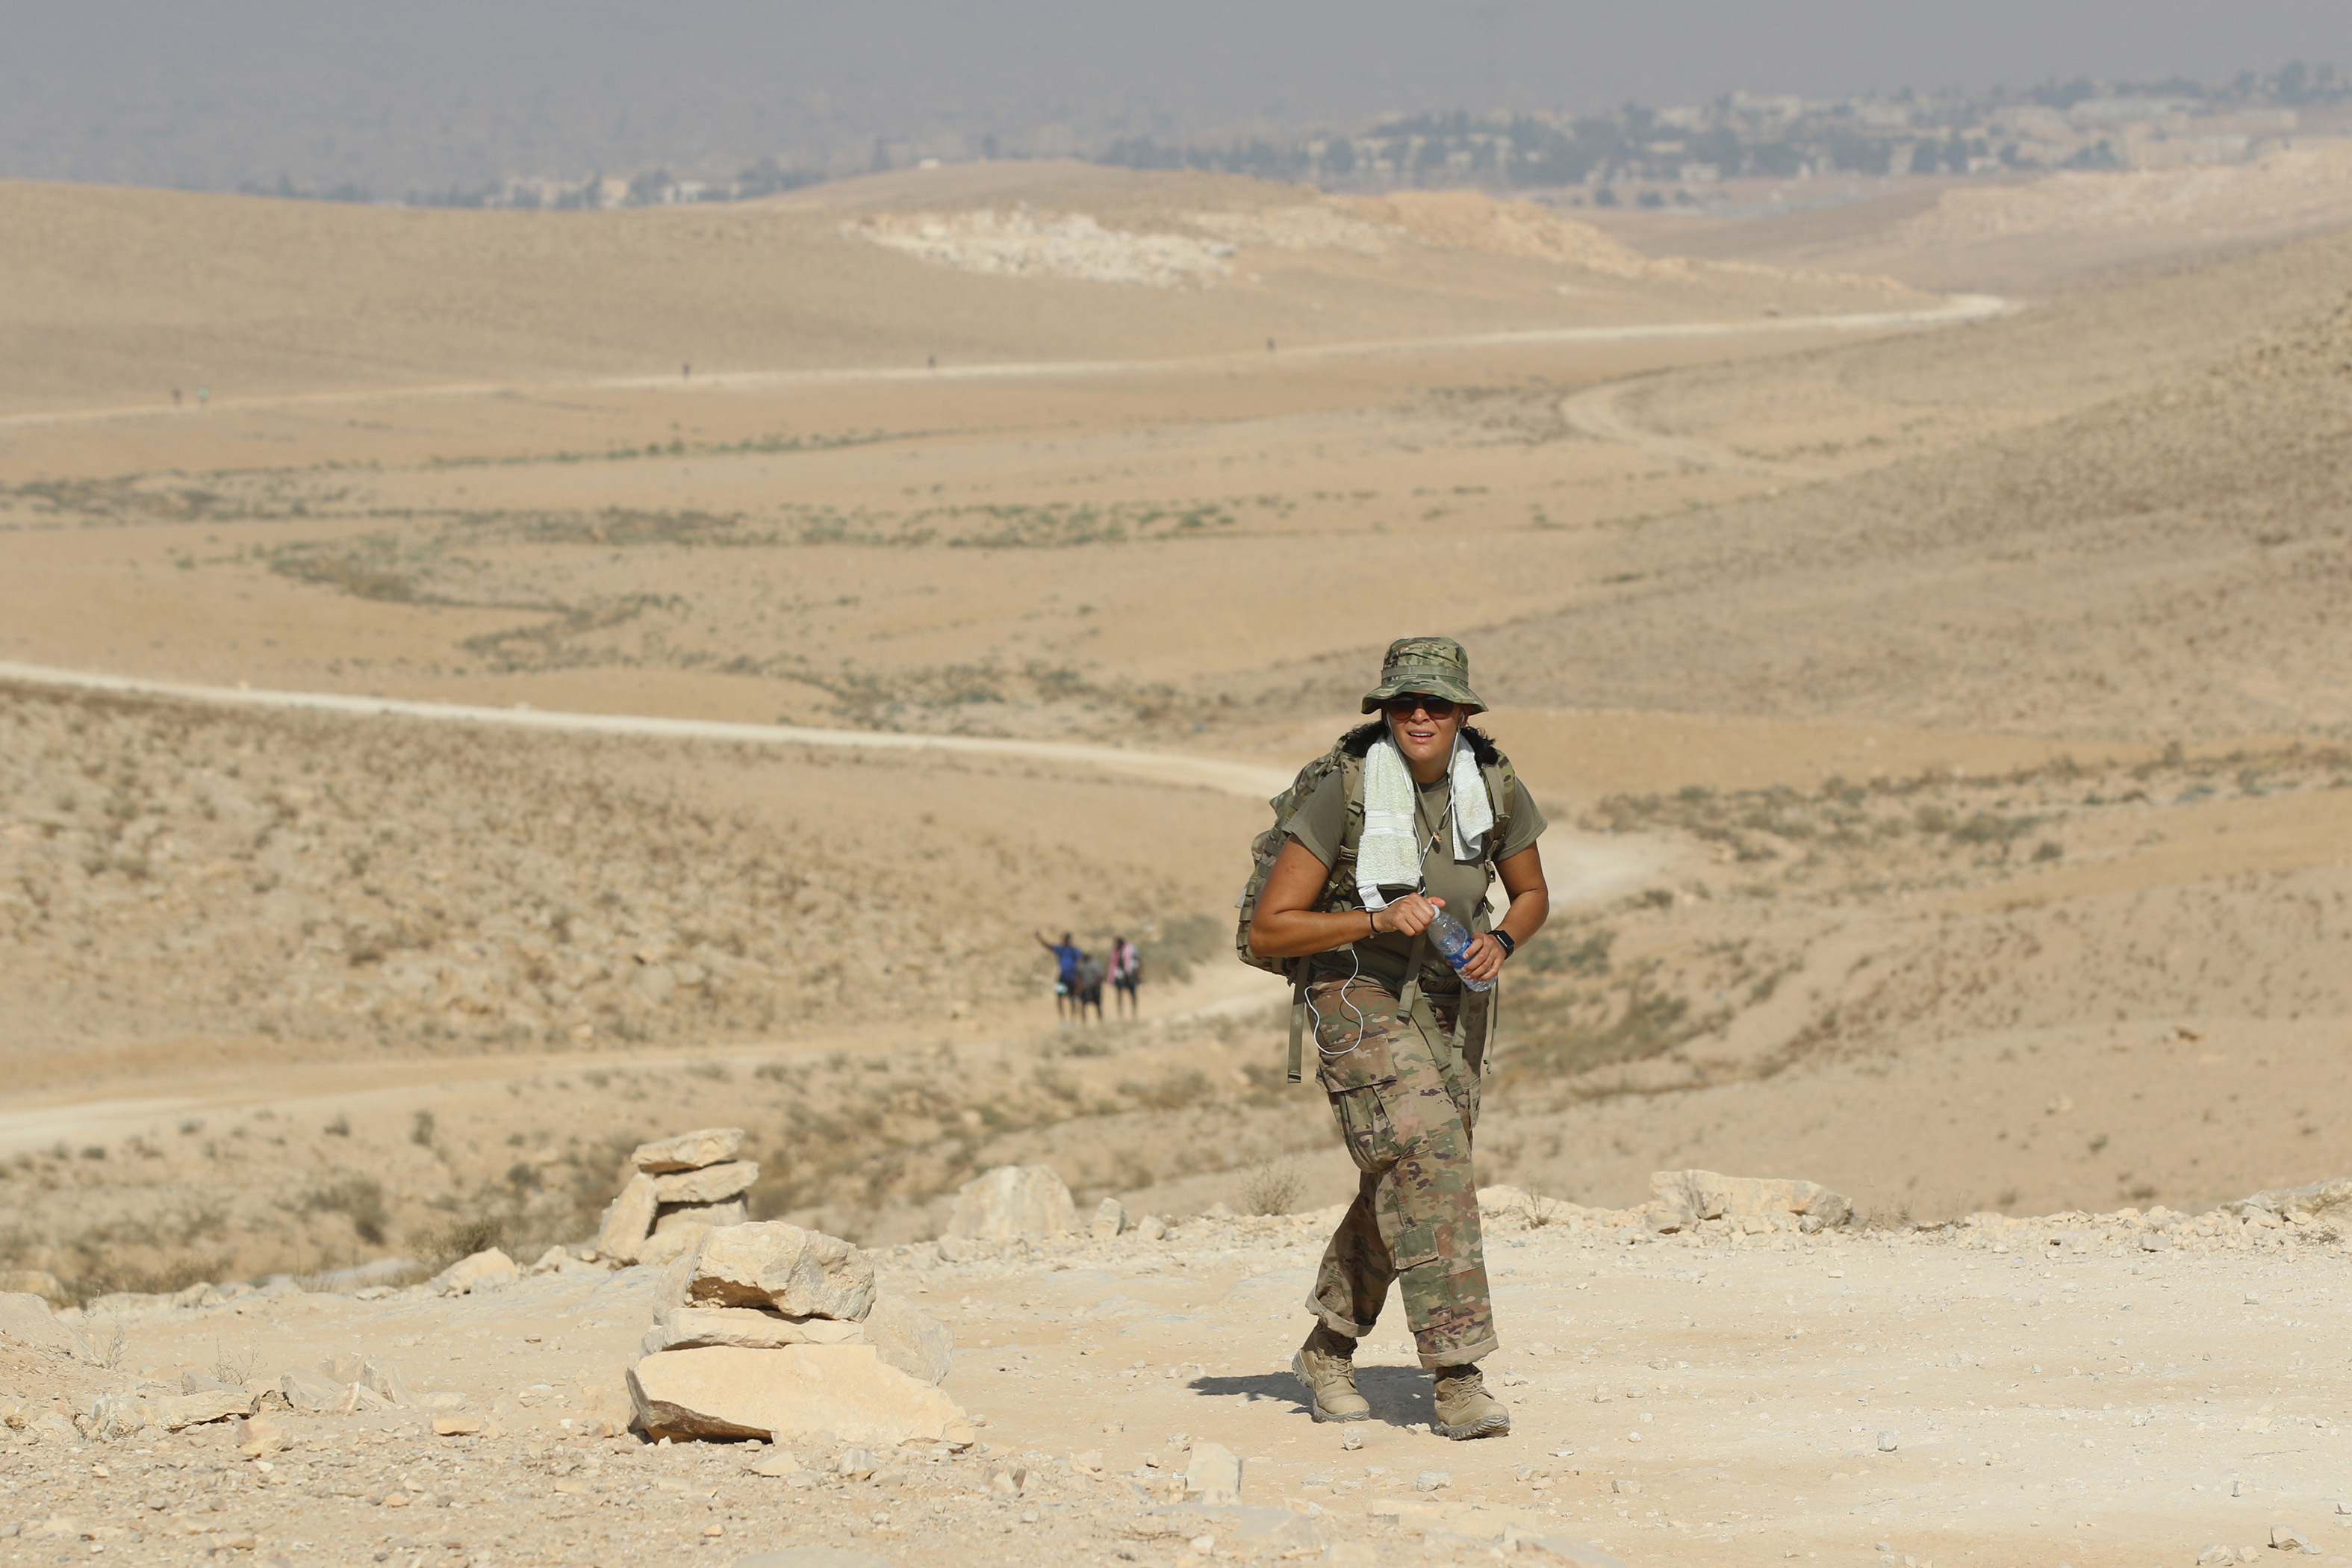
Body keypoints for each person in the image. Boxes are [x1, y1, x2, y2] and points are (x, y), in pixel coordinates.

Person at [1247, 635, 1550, 1440]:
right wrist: (1377, 917)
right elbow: (1274, 927)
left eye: (1438, 704)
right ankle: (1459, 1377)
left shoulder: (1492, 785)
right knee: (1427, 1150)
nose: (1421, 715)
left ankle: (1328, 1346)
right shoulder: (1343, 789)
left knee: (1414, 1165)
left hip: (1453, 996)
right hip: (1354, 985)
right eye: (1405, 703)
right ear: (1385, 711)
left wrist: (1505, 941)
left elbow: (1530, 892)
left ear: (1461, 715)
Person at [1033, 929, 1082, 1024]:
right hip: (1062, 977)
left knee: (1072, 998)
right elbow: (1048, 946)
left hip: (1072, 978)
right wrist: (1040, 938)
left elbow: (1082, 960)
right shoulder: (1061, 949)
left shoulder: (1074, 951)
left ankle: (1072, 1019)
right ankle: (1063, 1019)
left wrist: (1079, 977)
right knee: (1059, 997)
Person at [1108, 935, 1142, 1018]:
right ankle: (1120, 1013)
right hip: (1119, 974)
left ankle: (1134, 1011)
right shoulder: (1115, 951)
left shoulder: (1131, 949)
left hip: (1130, 973)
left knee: (1132, 993)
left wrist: (1139, 971)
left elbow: (1138, 959)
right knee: (1119, 993)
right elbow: (1112, 964)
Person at [1074, 950, 1107, 1023]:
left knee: (1098, 1005)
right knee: (1083, 1005)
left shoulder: (1096, 964)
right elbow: (1078, 977)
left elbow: (1100, 976)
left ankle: (1100, 1021)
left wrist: (1091, 985)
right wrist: (1080, 986)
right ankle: (1084, 1022)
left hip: (1094, 988)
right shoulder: (1080, 965)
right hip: (1084, 988)